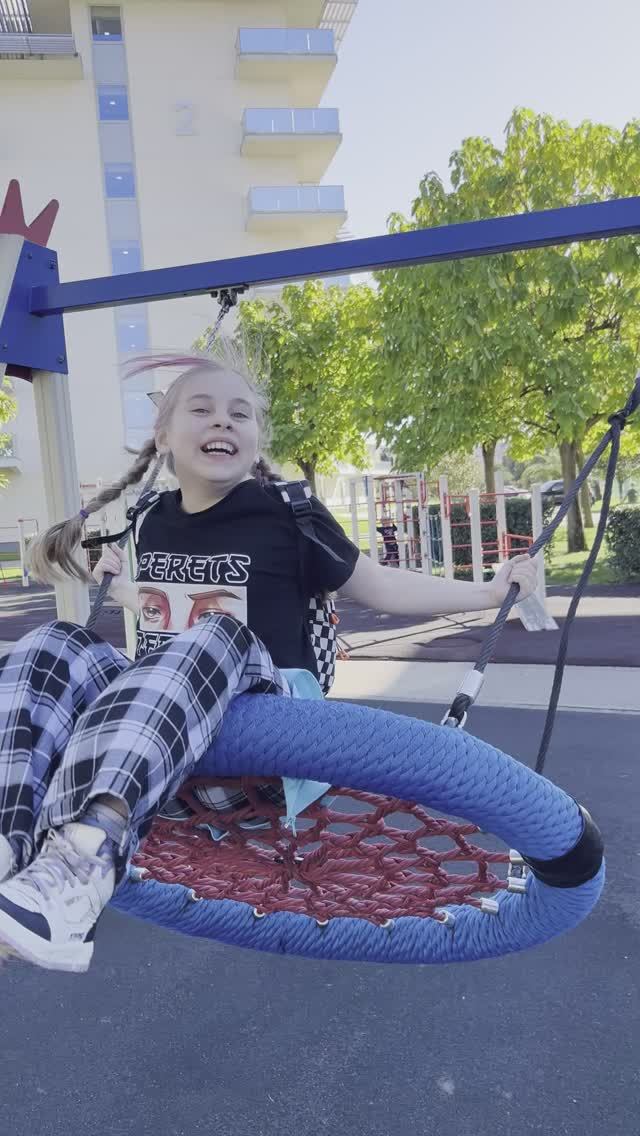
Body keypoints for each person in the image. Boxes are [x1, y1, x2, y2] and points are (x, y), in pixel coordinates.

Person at [0, 345, 537, 973]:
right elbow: (164, 612)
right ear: (163, 436)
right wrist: (118, 587)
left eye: (240, 414)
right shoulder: (152, 519)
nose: (222, 421)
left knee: (216, 636)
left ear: (257, 439)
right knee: (51, 646)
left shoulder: (288, 514)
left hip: (261, 749)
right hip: (164, 752)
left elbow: (379, 586)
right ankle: (13, 850)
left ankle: (85, 860)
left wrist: (488, 595)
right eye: (201, 409)